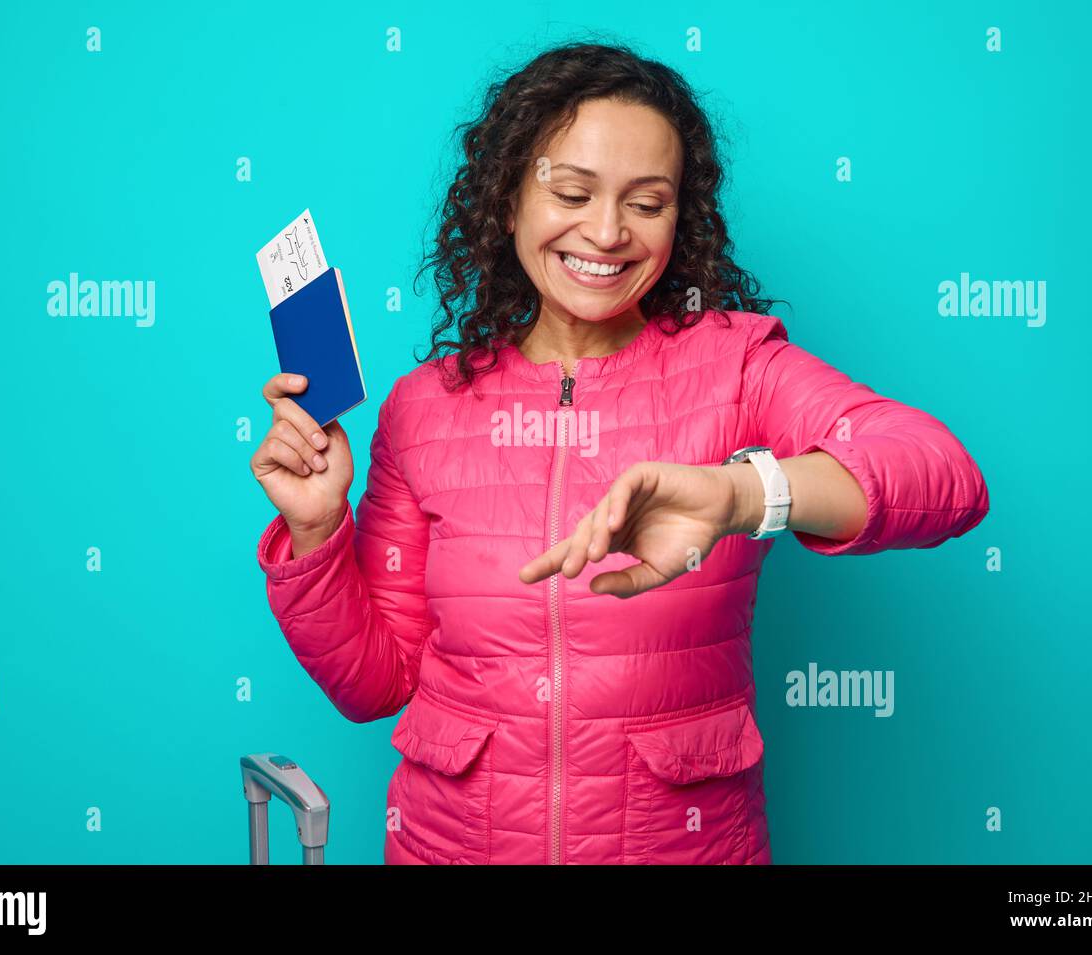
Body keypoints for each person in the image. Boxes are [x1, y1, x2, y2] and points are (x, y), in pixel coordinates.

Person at [251, 42, 989, 865]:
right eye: (571, 192)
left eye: (647, 202)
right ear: (507, 200)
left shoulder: (737, 364)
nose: (606, 232)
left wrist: (744, 493)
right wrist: (319, 535)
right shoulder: (425, 407)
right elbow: (374, 684)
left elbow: (943, 474)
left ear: (683, 215)